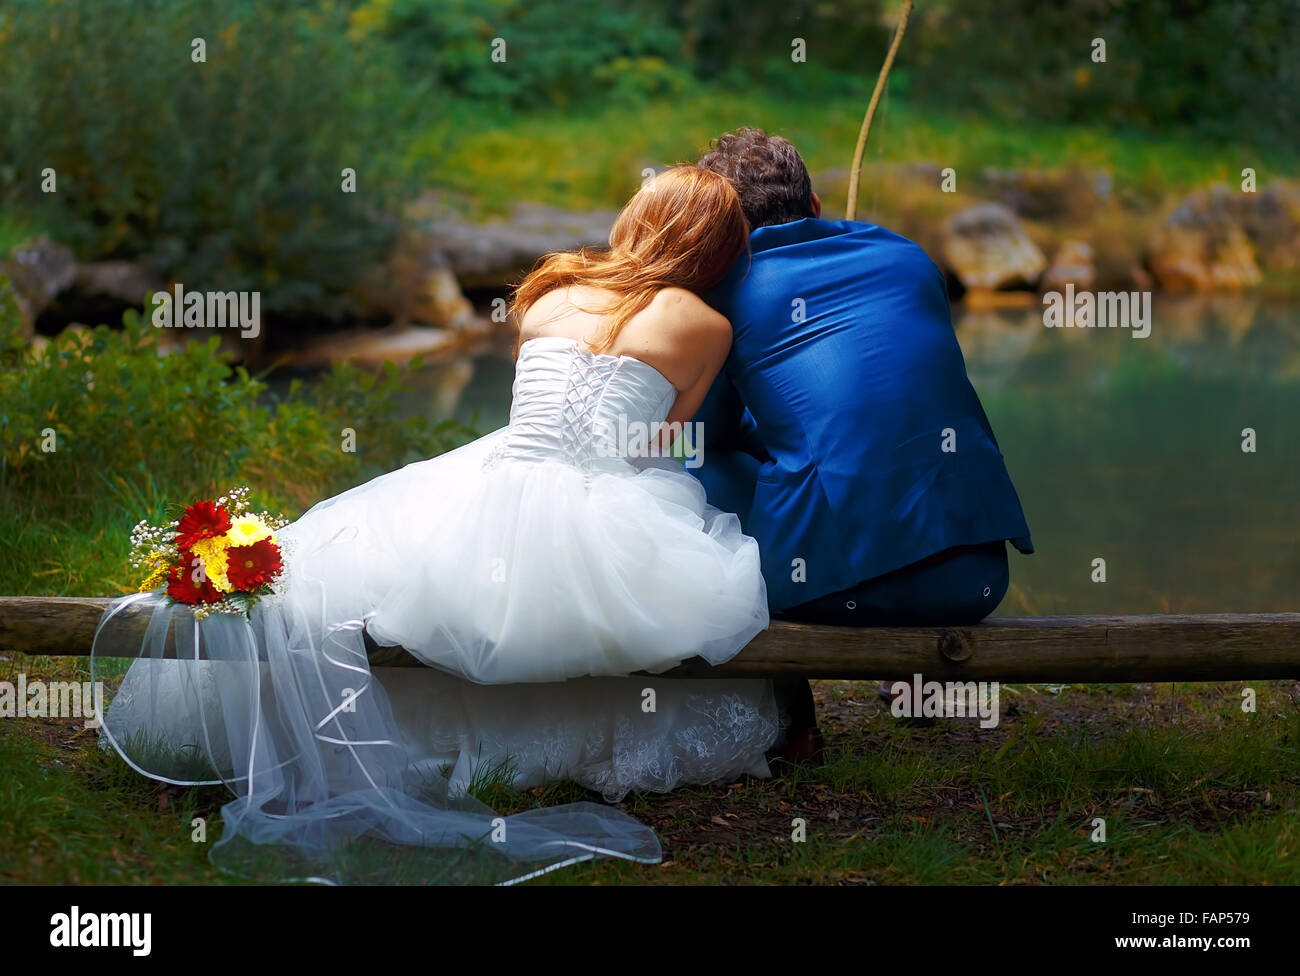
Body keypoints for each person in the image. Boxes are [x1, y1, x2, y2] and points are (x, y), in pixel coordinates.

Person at [92, 166, 779, 885]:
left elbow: (534, 411)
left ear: (635, 218)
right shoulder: (707, 327)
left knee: (377, 577)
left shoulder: (552, 291)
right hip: (602, 492)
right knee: (675, 583)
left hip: (494, 478)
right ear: (718, 249)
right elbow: (659, 446)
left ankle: (403, 740)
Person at [694, 129, 1034, 755]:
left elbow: (707, 432)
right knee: (895, 446)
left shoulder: (722, 292)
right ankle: (919, 686)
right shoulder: (908, 258)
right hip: (979, 579)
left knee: (695, 469)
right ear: (818, 204)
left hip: (834, 595)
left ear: (718, 229)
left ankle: (793, 724)